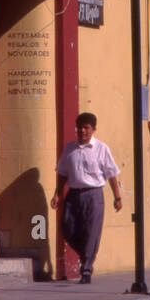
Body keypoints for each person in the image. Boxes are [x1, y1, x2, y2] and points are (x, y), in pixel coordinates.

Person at [51, 112, 123, 283]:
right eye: (79, 128)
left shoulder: (101, 149)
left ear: (93, 129)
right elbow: (62, 173)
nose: (82, 131)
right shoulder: (70, 149)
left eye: (86, 128)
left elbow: (111, 174)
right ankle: (86, 254)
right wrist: (57, 194)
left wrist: (117, 197)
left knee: (91, 233)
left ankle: (86, 270)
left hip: (93, 195)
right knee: (67, 228)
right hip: (73, 194)